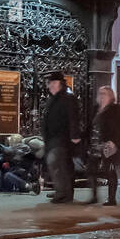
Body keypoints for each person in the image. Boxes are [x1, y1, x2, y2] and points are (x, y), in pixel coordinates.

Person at [39, 72, 81, 203]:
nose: (48, 86)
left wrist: (75, 135)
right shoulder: (55, 97)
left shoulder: (67, 98)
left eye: (50, 83)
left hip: (62, 138)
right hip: (53, 138)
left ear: (57, 83)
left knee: (57, 164)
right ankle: (62, 191)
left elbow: (73, 118)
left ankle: (63, 193)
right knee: (61, 165)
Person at [87, 84, 120, 206]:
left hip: (108, 145)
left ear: (110, 96)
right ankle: (94, 196)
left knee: (110, 171)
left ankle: (111, 199)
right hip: (95, 144)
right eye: (100, 93)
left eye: (104, 93)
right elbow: (90, 125)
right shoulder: (96, 109)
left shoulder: (115, 109)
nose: (101, 96)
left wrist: (113, 141)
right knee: (91, 169)